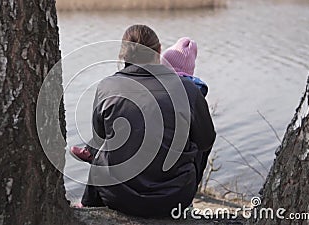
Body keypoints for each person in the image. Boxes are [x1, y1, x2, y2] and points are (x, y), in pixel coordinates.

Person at [71, 24, 216, 217]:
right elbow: (206, 141)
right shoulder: (188, 90)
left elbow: (99, 140)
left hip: (116, 196)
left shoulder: (107, 86)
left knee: (107, 143)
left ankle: (88, 204)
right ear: (159, 51)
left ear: (123, 54)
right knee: (199, 138)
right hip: (174, 199)